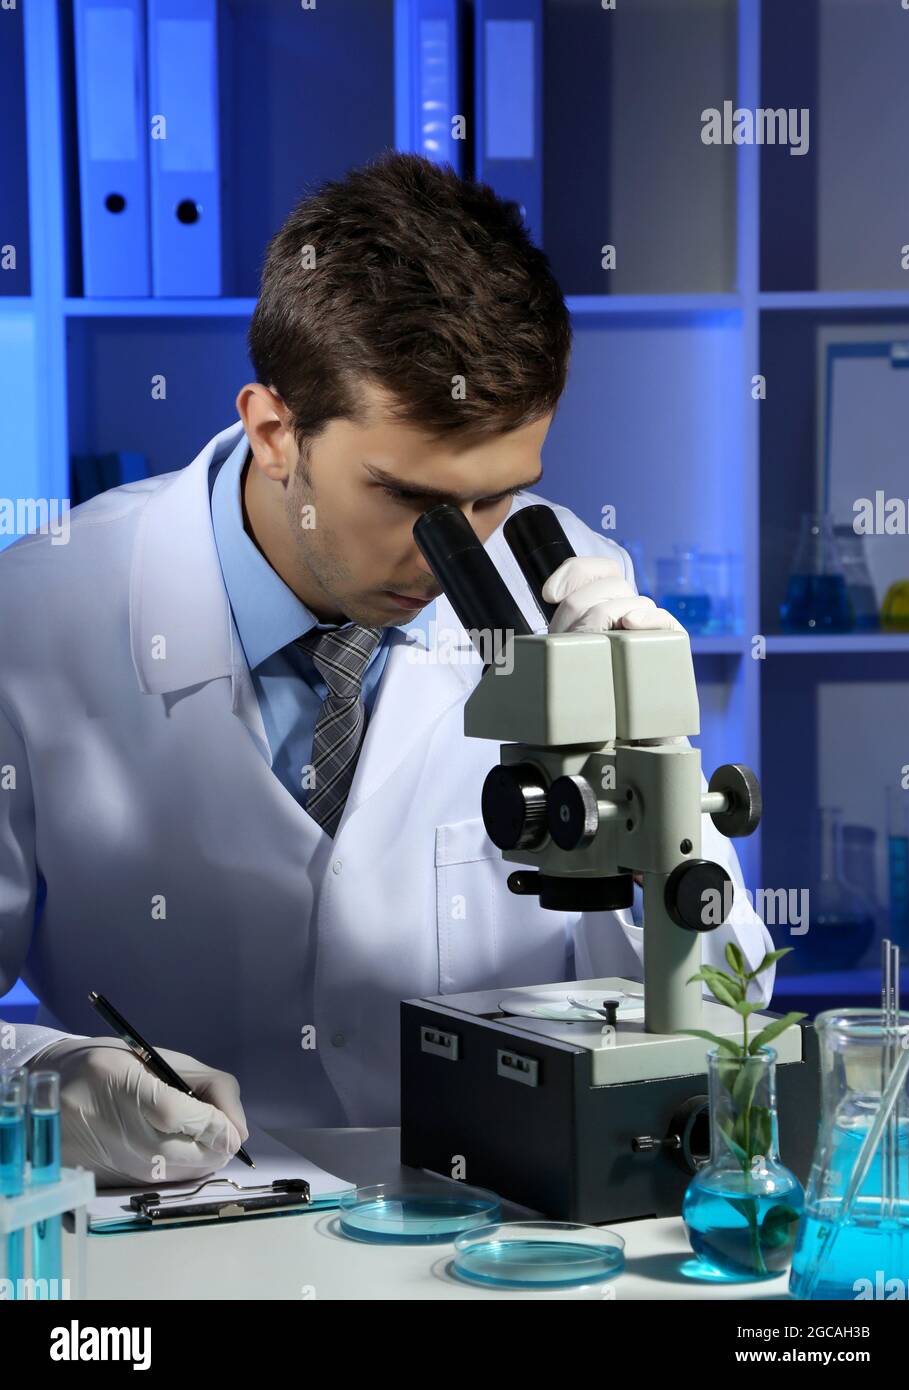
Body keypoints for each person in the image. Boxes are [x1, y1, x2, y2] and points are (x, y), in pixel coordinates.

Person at [0, 152, 774, 1188]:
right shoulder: (36, 615)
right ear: (275, 432)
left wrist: (654, 776)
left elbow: (729, 1014)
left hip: (491, 1223)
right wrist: (46, 1079)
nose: (459, 553)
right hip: (187, 1233)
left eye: (499, 497)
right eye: (414, 501)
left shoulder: (571, 592)